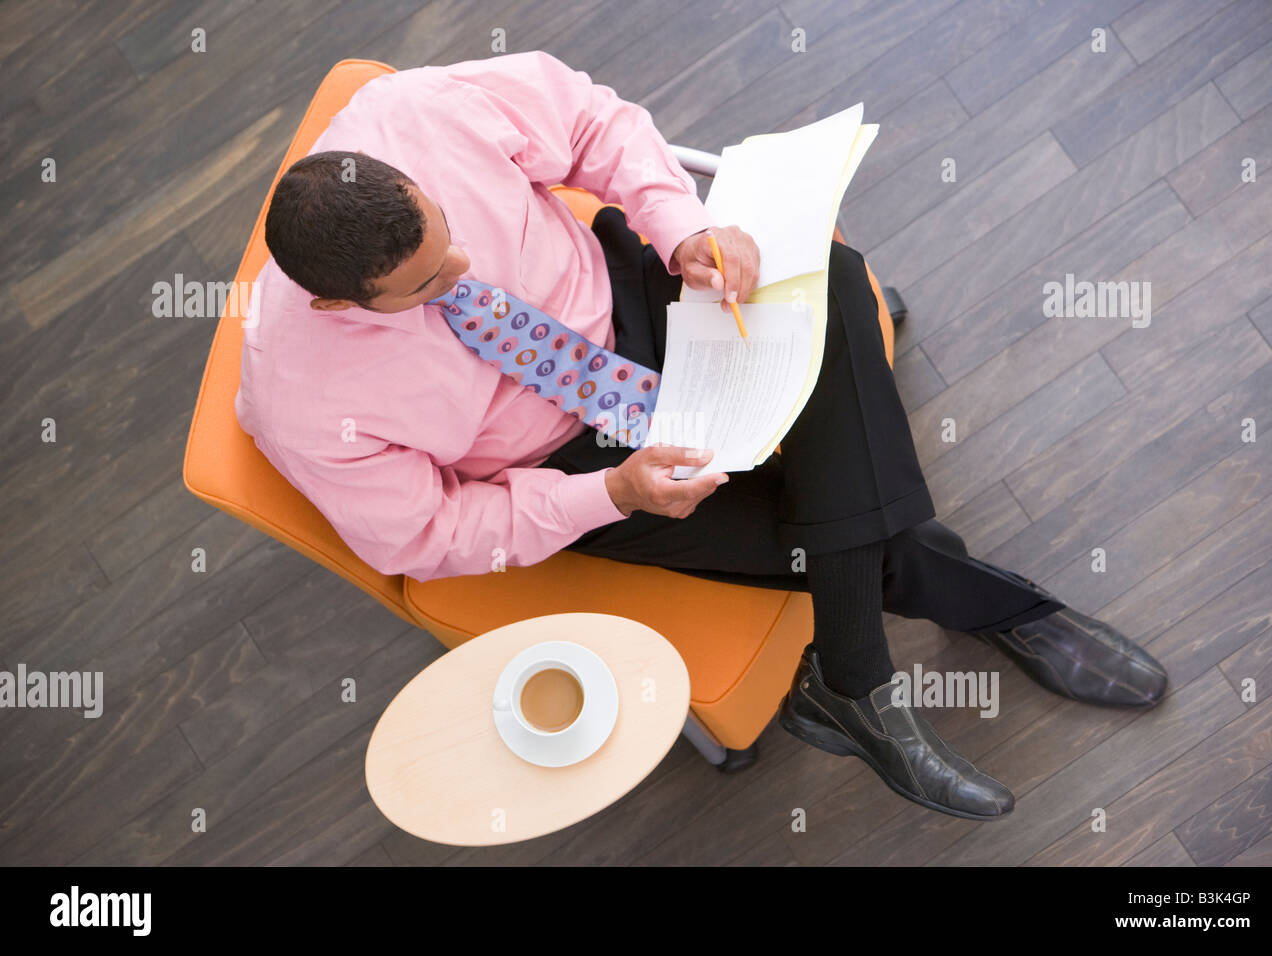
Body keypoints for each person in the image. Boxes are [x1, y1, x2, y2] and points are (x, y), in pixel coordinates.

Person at [237, 50, 1169, 822]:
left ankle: (851, 679)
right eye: (428, 284)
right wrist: (608, 493)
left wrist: (682, 228)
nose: (462, 268)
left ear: (407, 181)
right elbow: (424, 536)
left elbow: (594, 123)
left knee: (835, 284)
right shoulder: (299, 398)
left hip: (634, 303)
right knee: (850, 525)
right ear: (339, 304)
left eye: (448, 236)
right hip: (575, 461)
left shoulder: (413, 114)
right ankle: (998, 619)